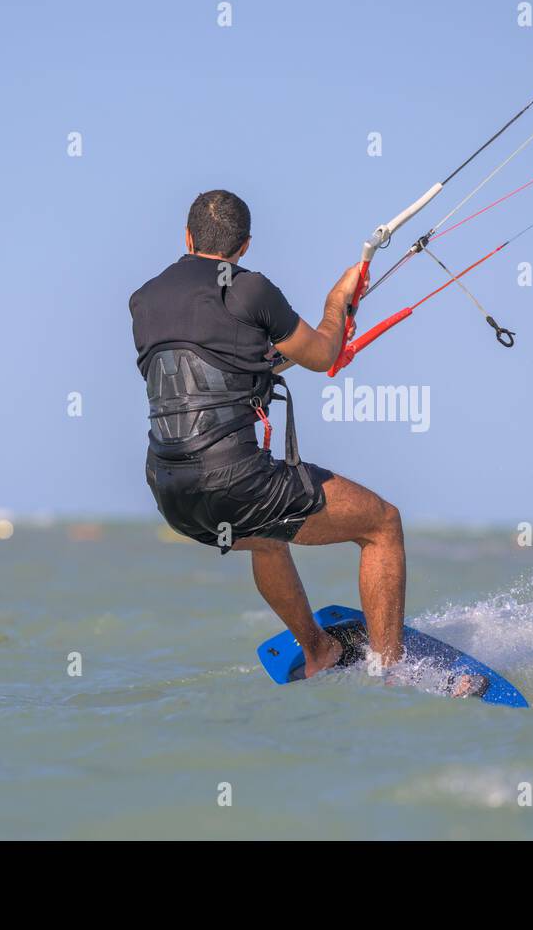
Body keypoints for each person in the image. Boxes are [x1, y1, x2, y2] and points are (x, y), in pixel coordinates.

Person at [129, 190, 405, 676]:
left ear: (188, 236)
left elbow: (204, 374)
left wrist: (274, 361)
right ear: (245, 246)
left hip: (171, 493)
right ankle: (393, 673)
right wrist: (337, 301)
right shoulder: (250, 289)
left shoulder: (145, 299)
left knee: (264, 537)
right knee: (382, 523)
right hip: (235, 482)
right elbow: (321, 355)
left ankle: (319, 650)